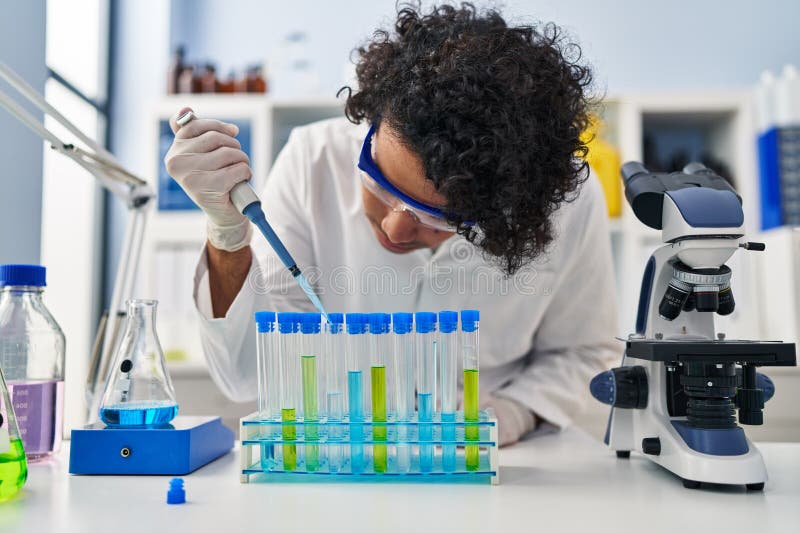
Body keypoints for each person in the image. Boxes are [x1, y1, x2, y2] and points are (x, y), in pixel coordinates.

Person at [165, 3, 618, 446]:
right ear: (373, 117)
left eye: (440, 219)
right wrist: (227, 236)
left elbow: (583, 352)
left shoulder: (566, 204)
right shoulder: (312, 161)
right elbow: (246, 376)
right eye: (381, 183)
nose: (395, 230)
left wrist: (512, 414)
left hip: (496, 468)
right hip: (343, 458)